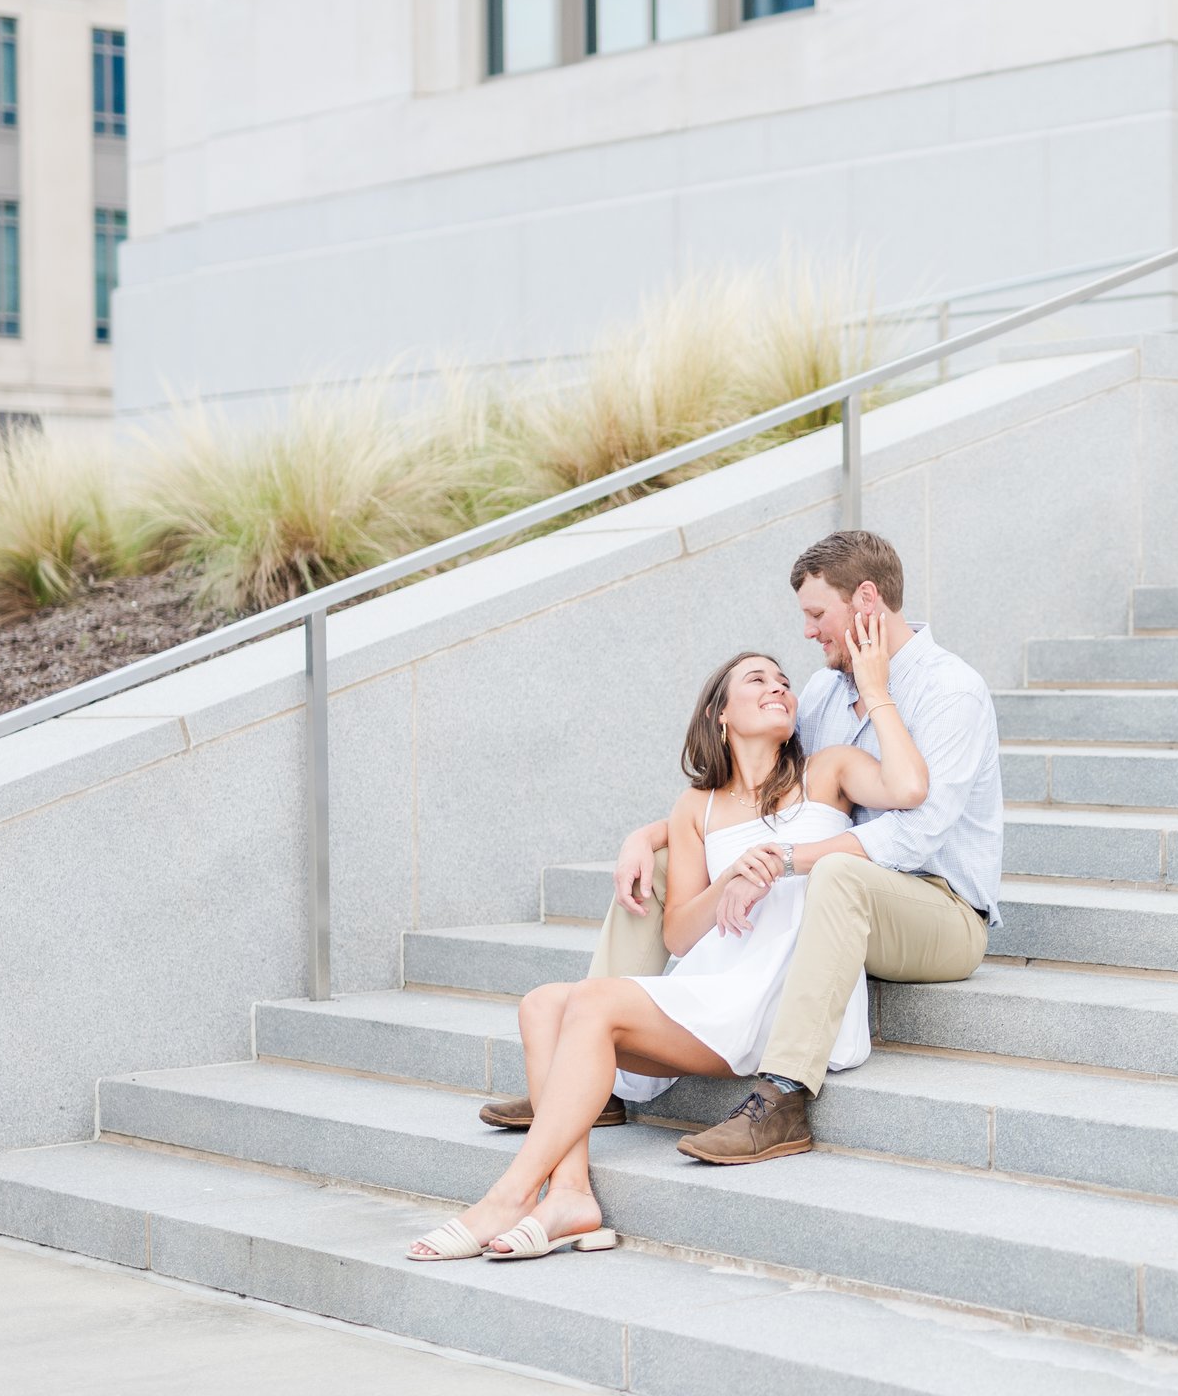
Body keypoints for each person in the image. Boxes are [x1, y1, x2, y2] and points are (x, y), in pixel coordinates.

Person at [473, 528, 1004, 1167]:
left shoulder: (951, 690)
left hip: (936, 907)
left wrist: (781, 861)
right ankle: (599, 1068)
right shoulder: (824, 691)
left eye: (816, 614)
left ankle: (782, 1094)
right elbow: (764, 800)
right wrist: (650, 836)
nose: (807, 633)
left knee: (835, 869)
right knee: (668, 866)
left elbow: (915, 829)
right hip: (839, 894)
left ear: (866, 599)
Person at [404, 626, 928, 1262]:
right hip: (714, 981)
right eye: (757, 680)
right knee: (542, 1003)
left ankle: (510, 1195)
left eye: (784, 681)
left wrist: (876, 693)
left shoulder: (829, 771)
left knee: (592, 1003)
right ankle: (569, 1193)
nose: (779, 688)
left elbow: (908, 790)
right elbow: (680, 929)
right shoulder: (695, 809)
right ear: (721, 713)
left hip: (779, 994)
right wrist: (730, 873)